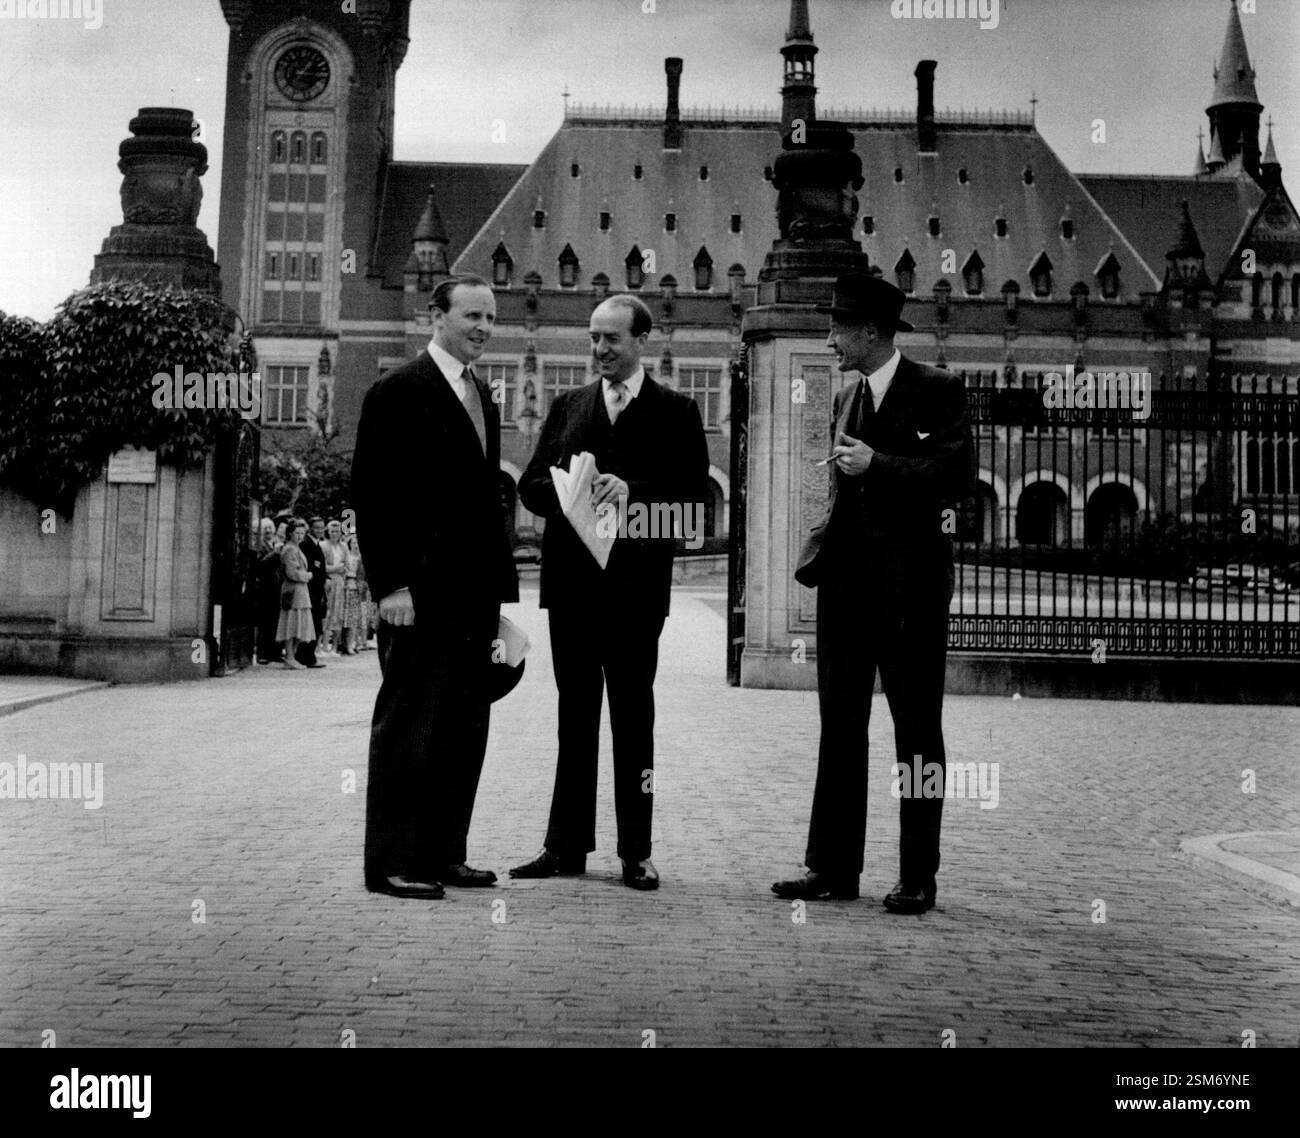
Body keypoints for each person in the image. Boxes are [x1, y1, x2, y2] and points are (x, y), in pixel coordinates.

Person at [772, 273, 975, 914]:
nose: (829, 339)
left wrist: (877, 465)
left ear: (870, 331)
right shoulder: (845, 396)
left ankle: (918, 876)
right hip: (846, 591)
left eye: (837, 328)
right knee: (840, 727)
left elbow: (957, 478)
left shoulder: (938, 389)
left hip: (912, 594)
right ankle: (832, 867)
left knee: (917, 732)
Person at [510, 294, 708, 892]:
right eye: (593, 337)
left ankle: (635, 852)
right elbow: (530, 485)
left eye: (611, 339)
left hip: (634, 595)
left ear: (641, 340)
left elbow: (691, 510)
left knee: (632, 719)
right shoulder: (568, 405)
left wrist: (634, 494)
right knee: (574, 718)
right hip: (572, 591)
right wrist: (568, 489)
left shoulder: (677, 411)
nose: (598, 349)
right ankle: (564, 846)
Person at [351, 273, 519, 900]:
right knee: (408, 727)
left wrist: (498, 599)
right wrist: (391, 585)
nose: (484, 327)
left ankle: (446, 853)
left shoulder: (483, 395)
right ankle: (392, 863)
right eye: (473, 315)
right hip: (417, 597)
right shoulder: (397, 390)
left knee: (462, 728)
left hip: (472, 599)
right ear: (437, 316)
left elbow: (484, 504)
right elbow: (374, 495)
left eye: (491, 318)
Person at [276, 518, 316, 670]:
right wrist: (307, 575)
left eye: (302, 533)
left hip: (300, 590)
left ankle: (292, 655)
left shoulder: (296, 548)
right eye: (297, 533)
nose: (300, 536)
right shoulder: (290, 549)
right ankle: (289, 656)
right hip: (293, 590)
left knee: (299, 623)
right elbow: (291, 572)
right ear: (290, 533)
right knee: (292, 623)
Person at [296, 517, 327, 667]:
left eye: (322, 527)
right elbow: (311, 567)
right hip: (310, 590)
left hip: (318, 590)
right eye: (317, 527)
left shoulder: (317, 544)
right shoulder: (306, 545)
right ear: (310, 528)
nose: (320, 530)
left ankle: (309, 655)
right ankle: (305, 656)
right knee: (311, 623)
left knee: (317, 622)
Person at [254, 518, 284, 664]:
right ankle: (262, 653)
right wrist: (274, 553)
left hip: (277, 587)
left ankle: (274, 652)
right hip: (264, 588)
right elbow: (259, 564)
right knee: (265, 622)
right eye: (265, 528)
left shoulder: (277, 544)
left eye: (270, 528)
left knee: (276, 621)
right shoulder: (259, 546)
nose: (268, 531)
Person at [320, 518, 347, 653]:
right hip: (328, 581)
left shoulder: (344, 546)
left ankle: (335, 647)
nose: (335, 534)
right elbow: (322, 567)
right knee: (327, 612)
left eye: (337, 531)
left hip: (340, 582)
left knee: (338, 612)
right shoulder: (323, 545)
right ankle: (323, 645)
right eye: (332, 531)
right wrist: (335, 568)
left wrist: (341, 569)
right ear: (328, 532)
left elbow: (346, 565)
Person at [340, 534, 364, 655]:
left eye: (358, 543)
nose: (356, 545)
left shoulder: (361, 557)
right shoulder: (347, 556)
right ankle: (344, 644)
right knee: (345, 618)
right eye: (354, 542)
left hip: (357, 589)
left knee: (354, 619)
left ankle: (352, 644)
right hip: (346, 588)